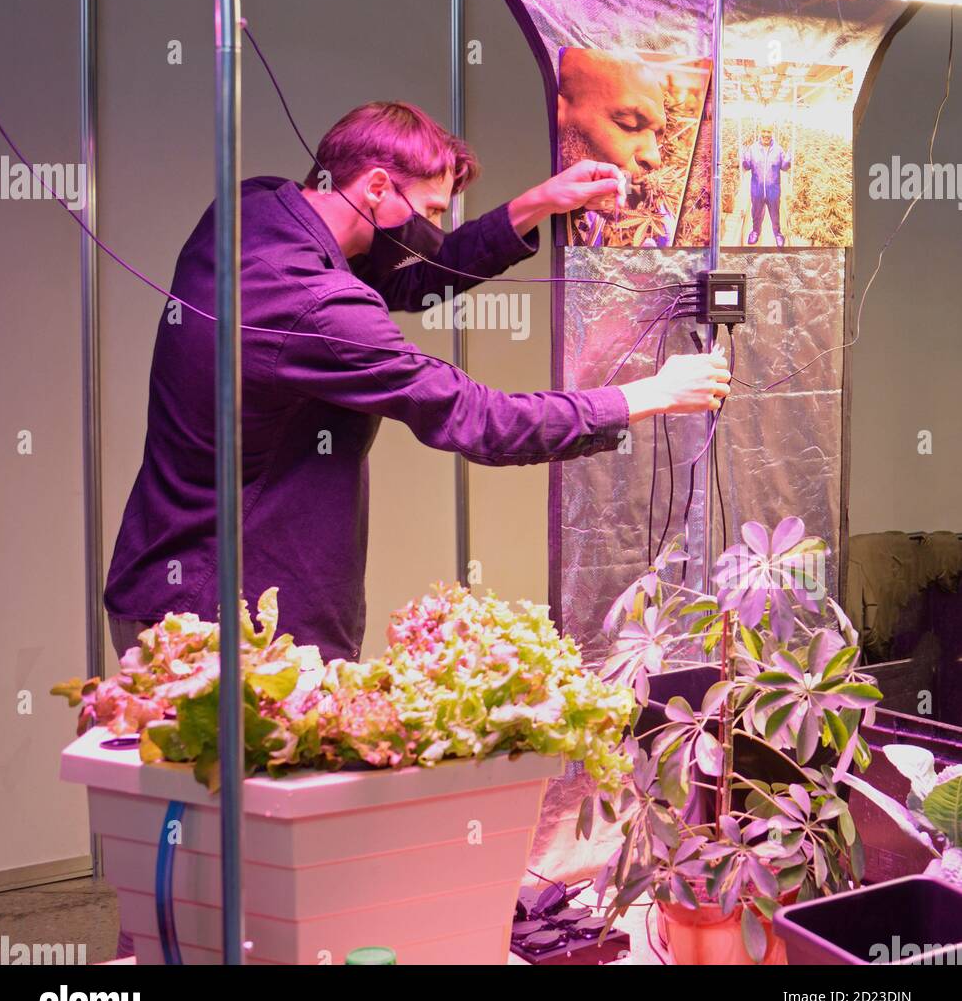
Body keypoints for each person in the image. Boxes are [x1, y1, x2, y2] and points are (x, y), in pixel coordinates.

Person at [103, 101, 731, 664]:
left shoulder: (254, 210)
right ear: (376, 185)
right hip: (230, 628)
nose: (429, 230)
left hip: (164, 589)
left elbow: (406, 280)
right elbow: (478, 419)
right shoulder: (312, 307)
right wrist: (647, 395)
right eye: (429, 209)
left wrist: (537, 203)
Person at [557, 49, 674, 246]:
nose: (655, 158)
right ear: (559, 112)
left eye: (657, 137)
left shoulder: (591, 217)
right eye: (629, 124)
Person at [741, 124, 791, 247]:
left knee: (775, 214)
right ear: (760, 132)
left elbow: (784, 168)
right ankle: (755, 232)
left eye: (768, 132)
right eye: (764, 131)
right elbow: (747, 167)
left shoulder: (778, 150)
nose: (766, 134)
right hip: (756, 189)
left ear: (772, 133)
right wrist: (743, 157)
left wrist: (789, 158)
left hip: (773, 190)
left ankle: (777, 234)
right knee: (756, 212)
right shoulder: (752, 149)